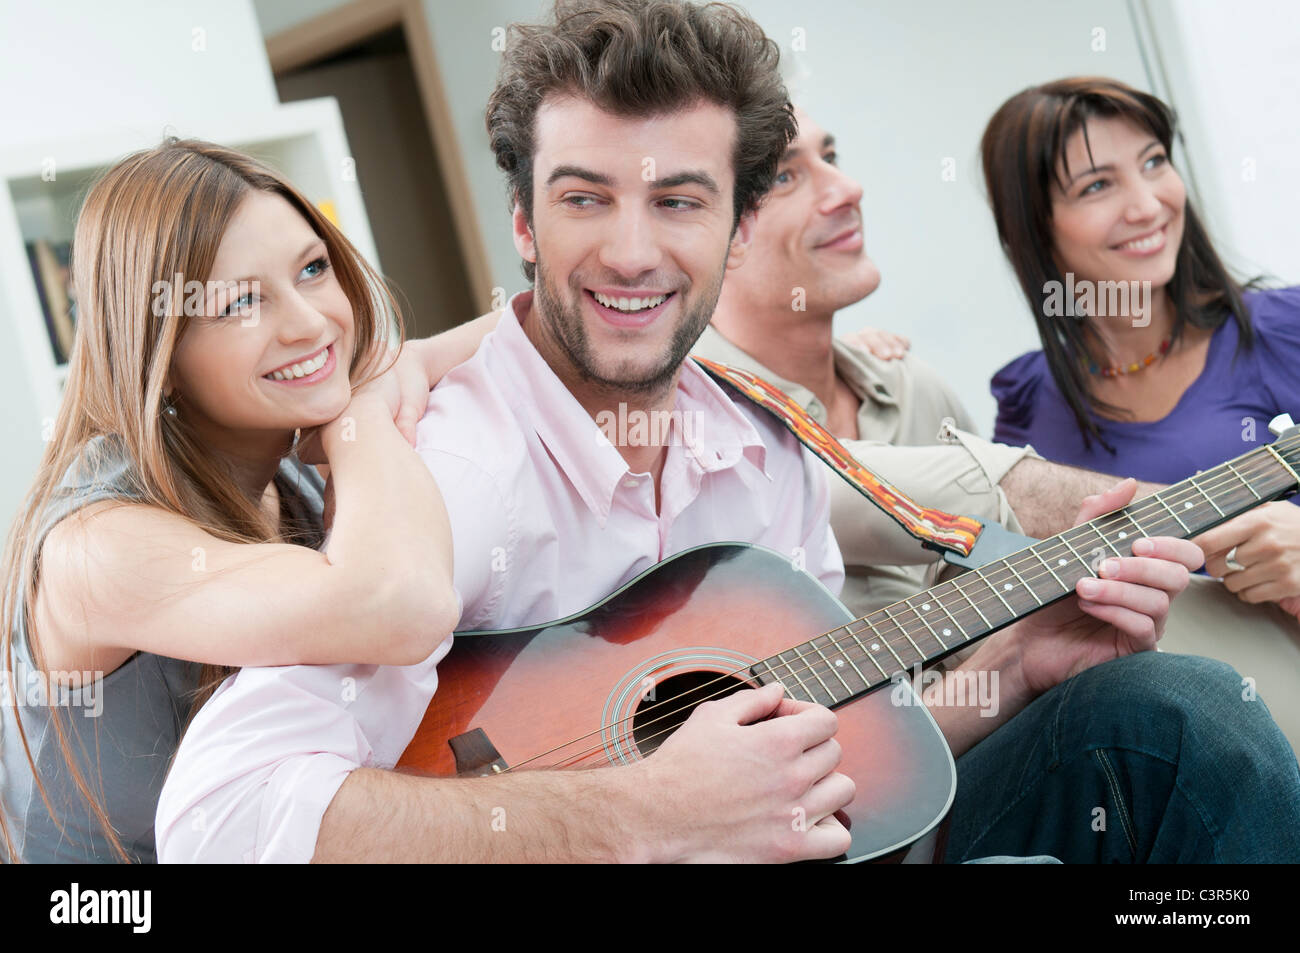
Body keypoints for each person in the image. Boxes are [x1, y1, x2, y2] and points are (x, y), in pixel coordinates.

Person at [156, 0, 1298, 864]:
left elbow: (835, 756)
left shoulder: (753, 437)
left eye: (680, 200)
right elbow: (216, 812)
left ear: (739, 221)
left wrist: (1010, 665)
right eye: (585, 197)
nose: (633, 252)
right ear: (522, 219)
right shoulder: (453, 473)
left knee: (1177, 717)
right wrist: (635, 812)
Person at [0, 139, 462, 863]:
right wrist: (365, 408)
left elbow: (537, 342)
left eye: (312, 269)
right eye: (241, 301)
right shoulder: (94, 545)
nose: (309, 323)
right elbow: (404, 605)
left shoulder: (286, 471)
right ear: (157, 350)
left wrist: (403, 362)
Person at [984, 78, 1300, 622]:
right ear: (1034, 228)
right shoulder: (1027, 402)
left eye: (1154, 162)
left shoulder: (1283, 331)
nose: (1148, 205)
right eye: (1096, 186)